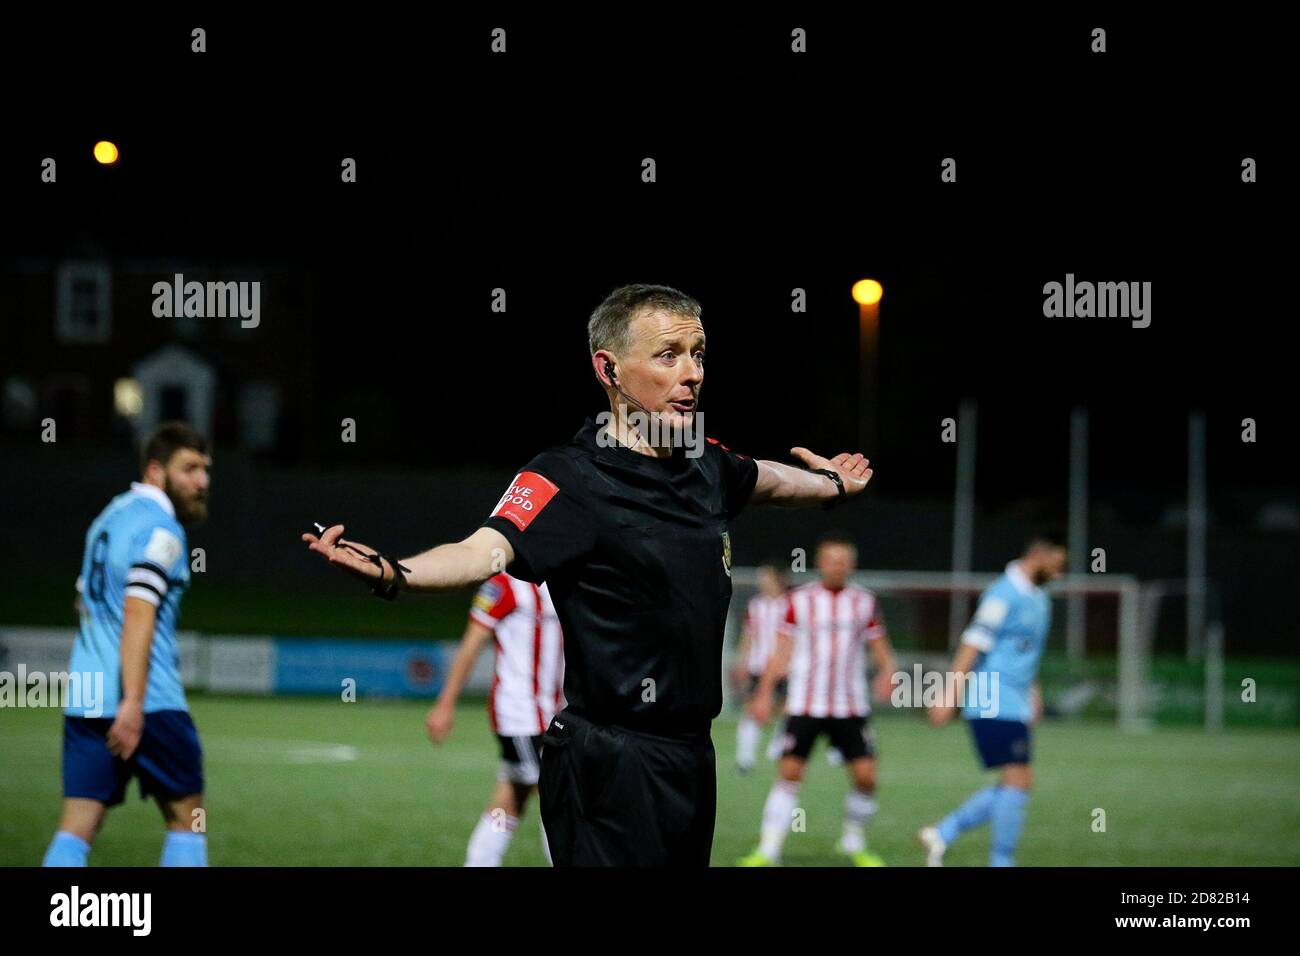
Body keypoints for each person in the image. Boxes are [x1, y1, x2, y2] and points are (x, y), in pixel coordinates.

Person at [303, 283, 873, 866]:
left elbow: (770, 479)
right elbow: (483, 550)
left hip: (692, 757)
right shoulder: (569, 478)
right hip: (610, 760)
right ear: (609, 368)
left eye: (698, 354)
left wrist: (832, 485)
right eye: (668, 354)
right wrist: (394, 573)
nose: (692, 373)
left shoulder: (705, 463)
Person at [42, 422, 212, 867]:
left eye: (205, 470)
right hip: (148, 702)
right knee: (188, 819)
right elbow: (140, 610)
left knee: (76, 828)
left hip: (87, 699)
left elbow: (84, 601)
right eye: (190, 469)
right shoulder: (162, 531)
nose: (202, 482)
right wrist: (133, 701)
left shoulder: (107, 519)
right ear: (156, 471)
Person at [738, 535, 897, 867]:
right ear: (820, 563)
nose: (836, 566)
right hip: (804, 704)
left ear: (851, 565)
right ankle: (768, 850)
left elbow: (879, 644)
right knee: (789, 773)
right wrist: (764, 693)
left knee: (867, 777)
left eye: (843, 560)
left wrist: (887, 672)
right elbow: (781, 651)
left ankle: (853, 842)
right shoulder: (800, 600)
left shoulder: (864, 602)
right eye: (830, 559)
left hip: (850, 705)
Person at [918, 532, 1067, 867]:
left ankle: (942, 833)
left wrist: (1034, 691)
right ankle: (1000, 861)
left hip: (1015, 702)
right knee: (1018, 781)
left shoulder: (1039, 597)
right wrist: (948, 695)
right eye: (1057, 564)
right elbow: (972, 644)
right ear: (1038, 554)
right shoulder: (1002, 594)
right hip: (991, 698)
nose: (1060, 573)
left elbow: (1025, 653)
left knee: (1015, 785)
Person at [425, 573, 564, 866]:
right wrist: (445, 704)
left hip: (552, 715)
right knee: (558, 800)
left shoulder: (561, 582)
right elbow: (472, 644)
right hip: (521, 716)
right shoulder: (504, 586)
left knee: (510, 801)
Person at [731, 562, 791, 773]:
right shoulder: (756, 605)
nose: (761, 581)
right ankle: (745, 759)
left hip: (786, 668)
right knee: (752, 711)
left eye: (765, 576)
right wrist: (742, 662)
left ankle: (779, 750)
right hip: (759, 667)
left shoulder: (791, 604)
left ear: (778, 578)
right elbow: (748, 636)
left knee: (787, 711)